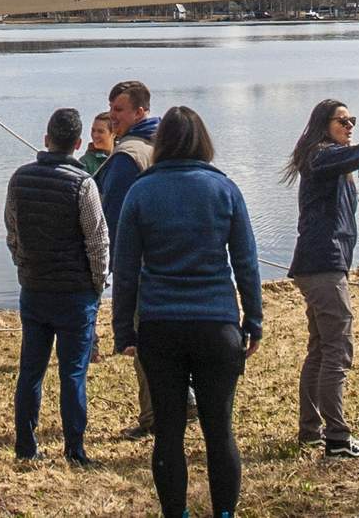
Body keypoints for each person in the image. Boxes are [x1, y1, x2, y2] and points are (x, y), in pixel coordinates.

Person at [112, 106, 262, 518]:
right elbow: (247, 262)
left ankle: (175, 513)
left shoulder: (141, 191)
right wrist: (254, 321)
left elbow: (125, 269)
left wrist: (124, 330)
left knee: (169, 433)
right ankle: (224, 514)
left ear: (162, 144)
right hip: (216, 325)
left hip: (160, 326)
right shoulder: (225, 189)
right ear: (203, 141)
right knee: (219, 430)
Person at [284, 99, 359, 458]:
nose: (350, 125)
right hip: (323, 266)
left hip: (321, 265)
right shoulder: (321, 156)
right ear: (324, 124)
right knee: (338, 348)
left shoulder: (328, 159)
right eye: (342, 120)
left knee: (321, 348)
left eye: (352, 120)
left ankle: (310, 431)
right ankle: (336, 439)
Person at [5, 108, 109, 465]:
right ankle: (75, 450)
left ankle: (25, 444)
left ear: (46, 139)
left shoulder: (19, 179)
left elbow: (13, 232)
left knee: (30, 369)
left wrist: (24, 267)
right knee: (73, 373)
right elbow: (98, 243)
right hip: (75, 294)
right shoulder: (84, 184)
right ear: (78, 144)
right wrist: (97, 285)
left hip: (34, 289)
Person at [96, 80, 162, 439]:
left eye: (119, 110)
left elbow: (114, 220)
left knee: (144, 342)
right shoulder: (168, 143)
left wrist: (109, 266)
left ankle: (153, 418)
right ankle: (186, 398)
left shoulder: (126, 158)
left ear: (140, 112)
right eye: (110, 109)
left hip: (138, 265)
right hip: (169, 261)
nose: (112, 116)